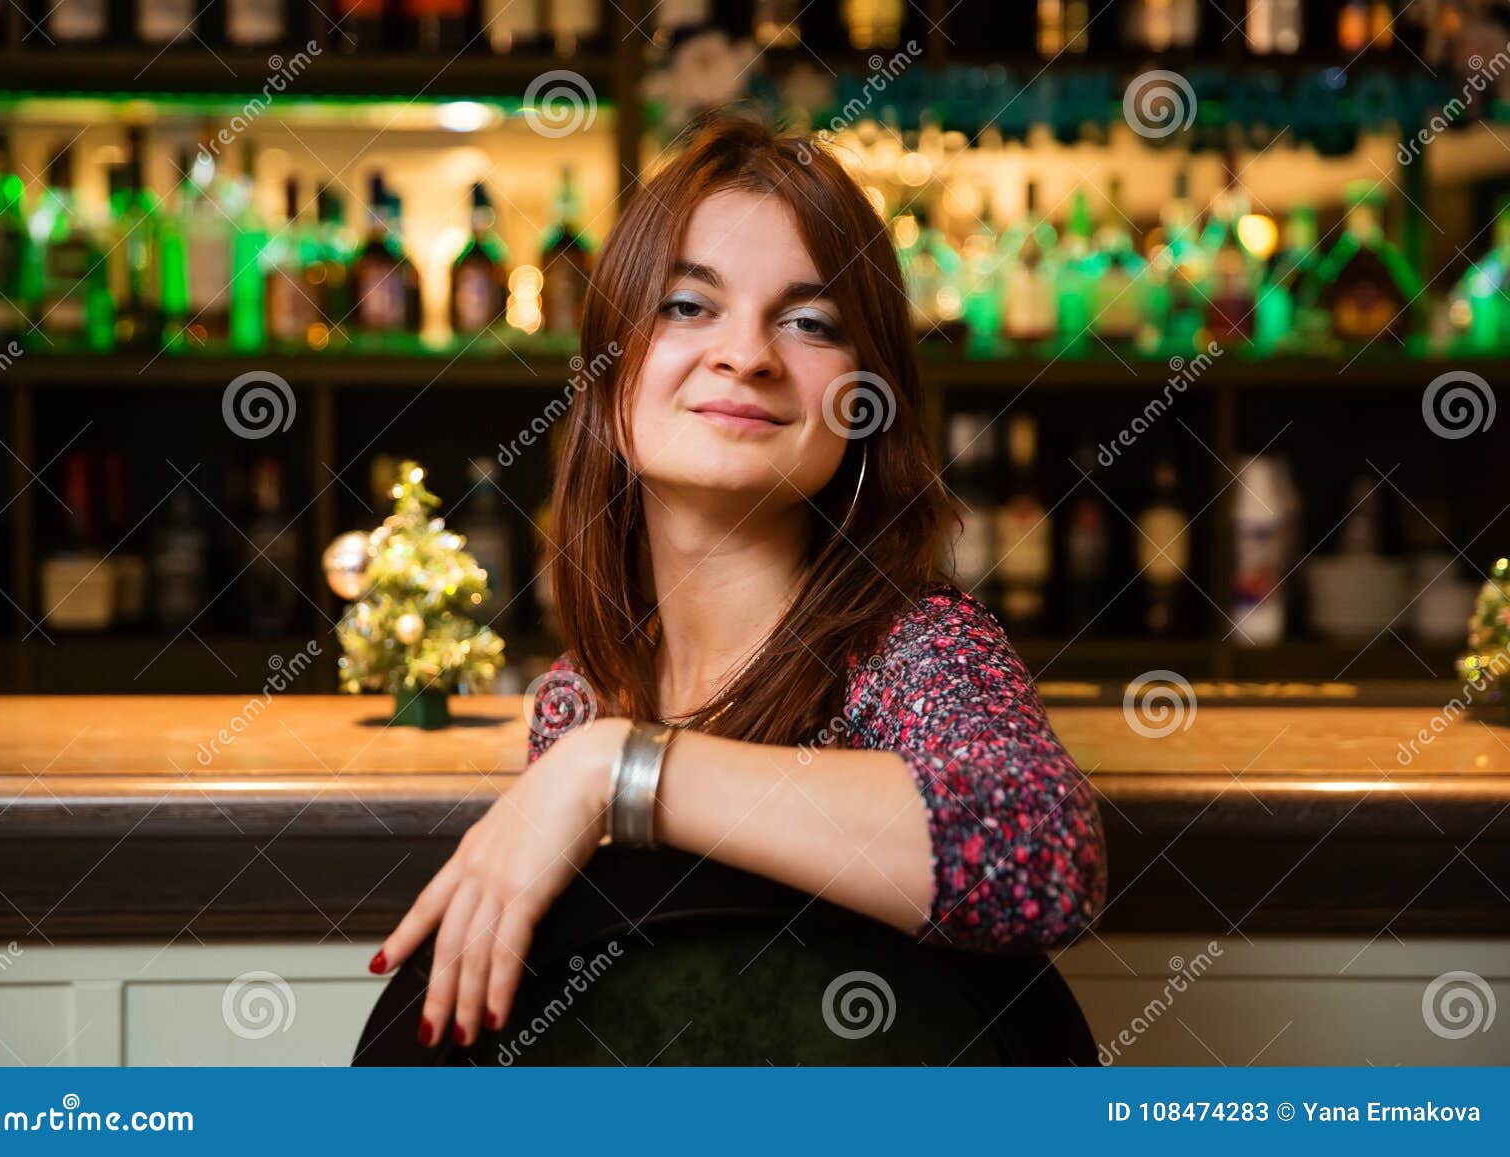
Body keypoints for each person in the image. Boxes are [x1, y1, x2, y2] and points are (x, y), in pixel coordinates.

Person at [369, 112, 1108, 1050]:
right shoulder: (579, 698)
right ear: (607, 370)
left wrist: (617, 770)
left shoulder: (907, 644)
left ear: (863, 401)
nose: (747, 354)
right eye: (688, 306)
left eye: (809, 322)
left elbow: (1043, 856)